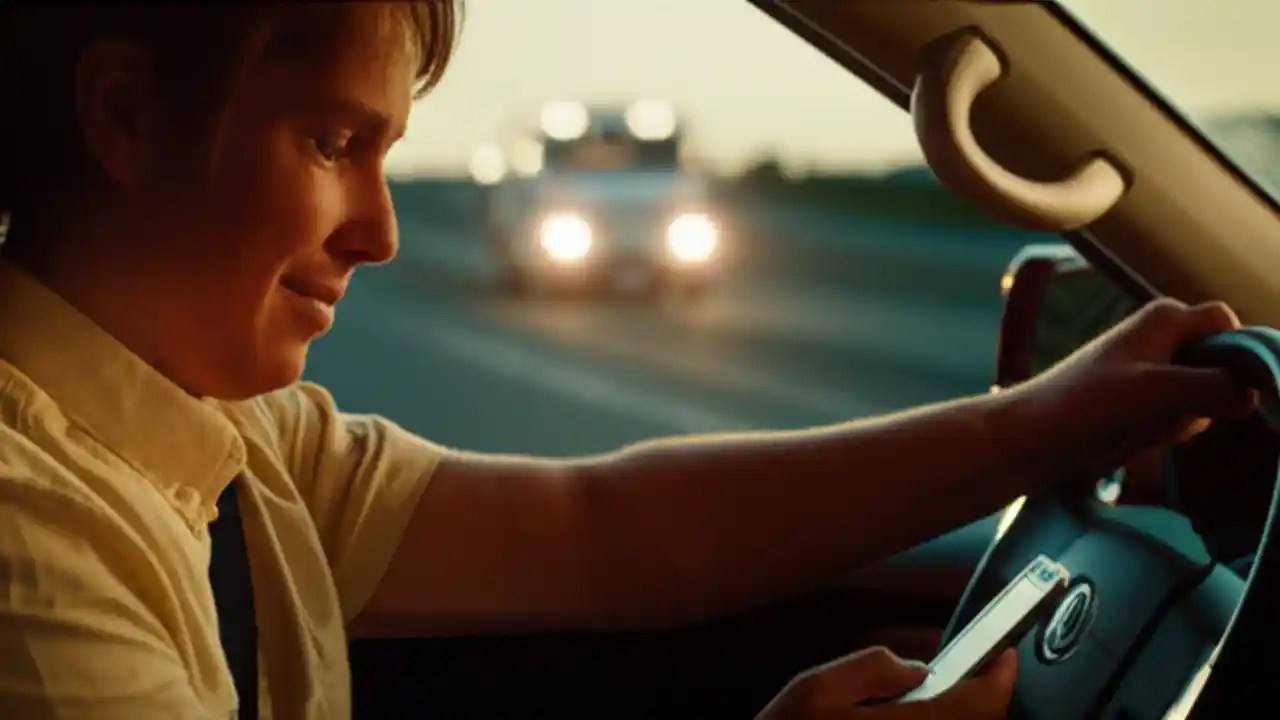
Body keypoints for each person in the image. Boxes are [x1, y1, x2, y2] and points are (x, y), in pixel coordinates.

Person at [0, 3, 1251, 719]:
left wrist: (1042, 422)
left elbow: (607, 529)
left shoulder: (228, 436)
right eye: (334, 140)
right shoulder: (32, 552)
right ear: (126, 116)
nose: (379, 231)